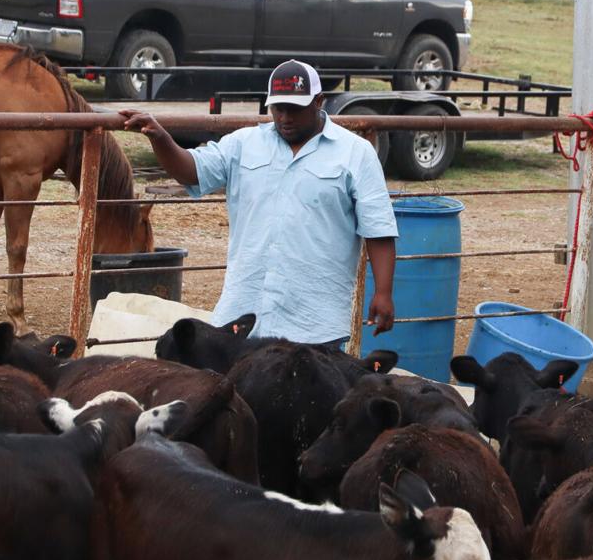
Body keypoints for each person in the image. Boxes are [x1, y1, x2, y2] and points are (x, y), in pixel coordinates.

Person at [121, 59, 397, 346]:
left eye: (295, 109)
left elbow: (378, 227)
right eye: (278, 109)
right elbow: (191, 170)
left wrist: (383, 292)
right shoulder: (243, 144)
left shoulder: (356, 154)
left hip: (314, 325)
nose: (285, 118)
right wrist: (160, 137)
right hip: (243, 318)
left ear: (319, 101)